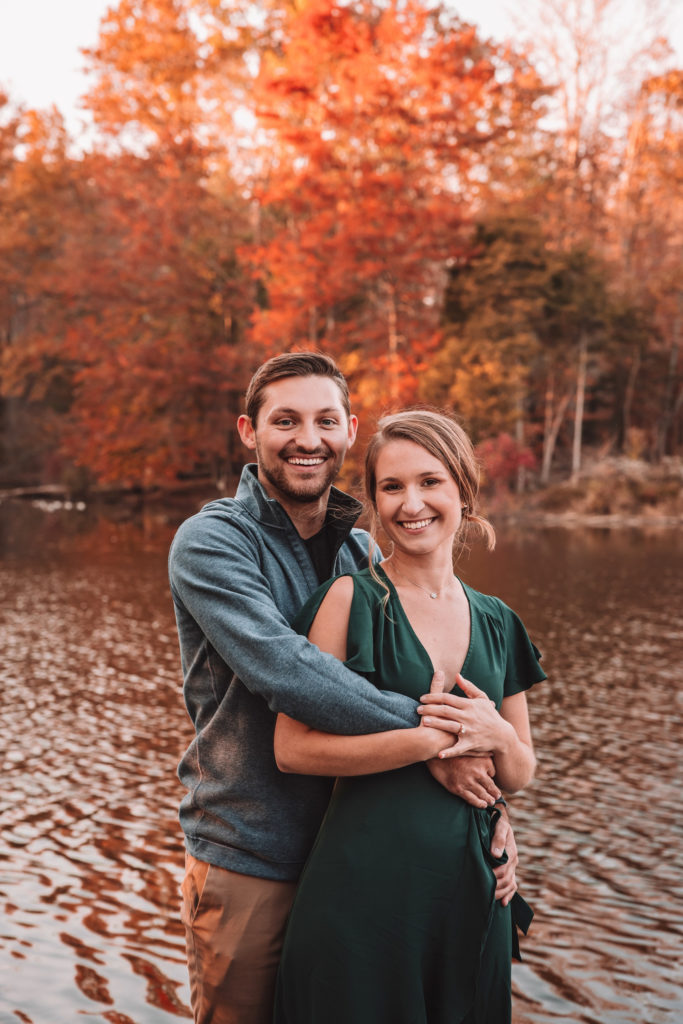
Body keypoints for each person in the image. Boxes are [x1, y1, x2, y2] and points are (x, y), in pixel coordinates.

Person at [168, 353, 520, 1024]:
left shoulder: (360, 556)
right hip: (252, 855)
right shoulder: (212, 543)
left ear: (349, 430)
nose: (307, 439)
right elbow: (290, 673)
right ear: (249, 430)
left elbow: (465, 697)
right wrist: (446, 738)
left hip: (359, 861)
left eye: (324, 420)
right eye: (285, 421)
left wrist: (492, 811)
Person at [272, 408, 546, 1024]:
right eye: (391, 487)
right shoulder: (350, 601)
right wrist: (429, 743)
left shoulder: (500, 621)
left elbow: (520, 770)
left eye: (430, 482)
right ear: (371, 500)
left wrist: (496, 734)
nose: (410, 503)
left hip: (472, 894)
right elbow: (294, 749)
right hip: (362, 899)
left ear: (463, 491)